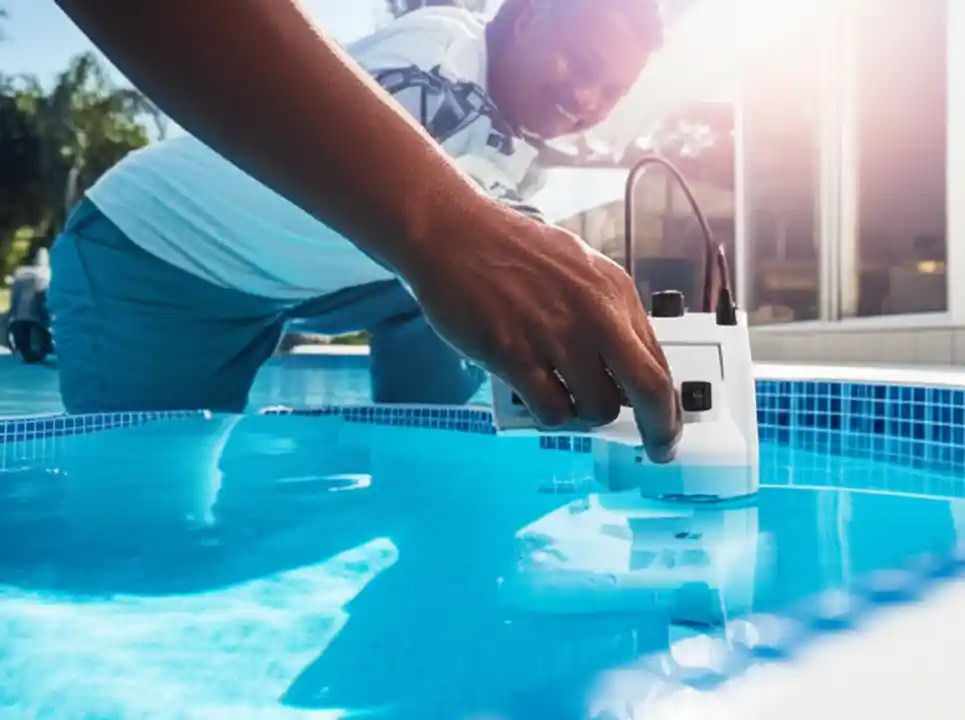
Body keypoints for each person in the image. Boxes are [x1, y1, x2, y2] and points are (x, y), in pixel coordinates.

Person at [49, 0, 682, 461]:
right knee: (145, 525)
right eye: (581, 62)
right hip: (153, 259)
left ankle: (425, 450)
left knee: (466, 293)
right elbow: (442, 173)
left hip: (298, 278)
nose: (587, 96)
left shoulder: (521, 154)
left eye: (611, 89)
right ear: (525, 19)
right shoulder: (443, 50)